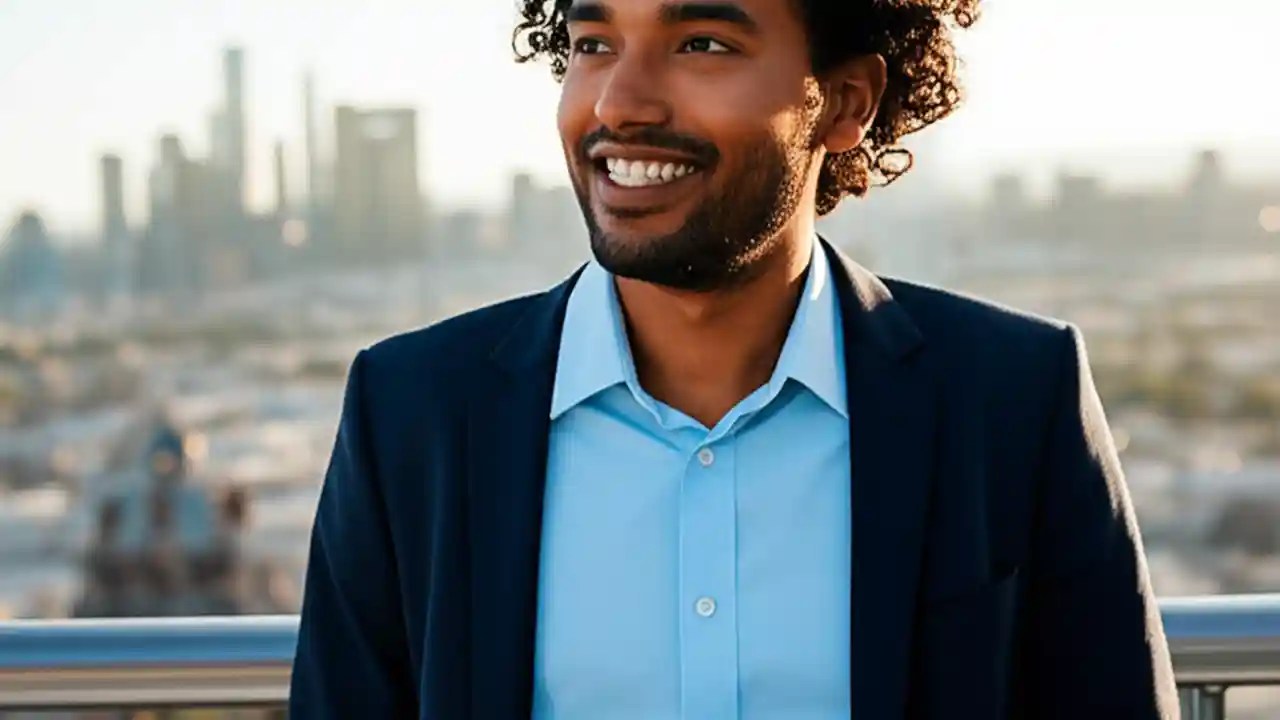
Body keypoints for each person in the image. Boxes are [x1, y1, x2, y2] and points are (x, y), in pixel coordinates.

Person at [290, 0, 1179, 717]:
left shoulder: (1015, 398)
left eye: (702, 42)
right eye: (593, 41)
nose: (620, 102)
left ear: (844, 103)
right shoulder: (411, 411)